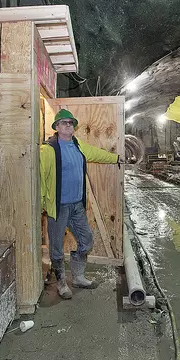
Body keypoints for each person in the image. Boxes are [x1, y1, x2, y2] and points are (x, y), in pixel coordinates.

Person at [40, 109, 121, 299]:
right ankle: (61, 283)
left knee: (86, 241)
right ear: (57, 127)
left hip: (76, 206)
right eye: (64, 123)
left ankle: (77, 277)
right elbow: (41, 179)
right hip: (57, 207)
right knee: (56, 248)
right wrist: (43, 204)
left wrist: (116, 158)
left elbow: (97, 154)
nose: (68, 125)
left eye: (71, 123)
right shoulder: (48, 150)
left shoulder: (78, 146)